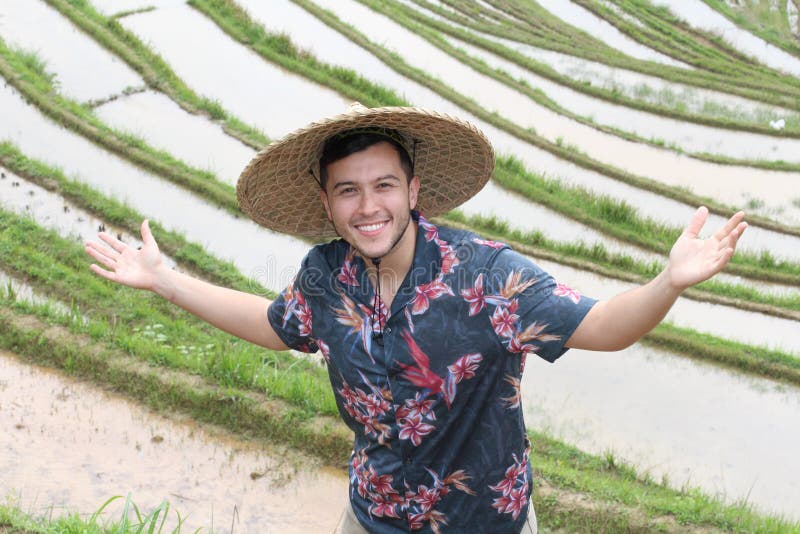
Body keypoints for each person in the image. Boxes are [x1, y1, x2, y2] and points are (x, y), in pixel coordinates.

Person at [84, 103, 746, 533]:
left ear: (413, 192)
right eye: (348, 190)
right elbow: (274, 324)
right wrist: (165, 281)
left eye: (383, 186)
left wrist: (668, 282)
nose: (367, 207)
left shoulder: (485, 275)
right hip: (372, 516)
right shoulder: (326, 275)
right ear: (327, 201)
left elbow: (603, 326)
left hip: (484, 523)